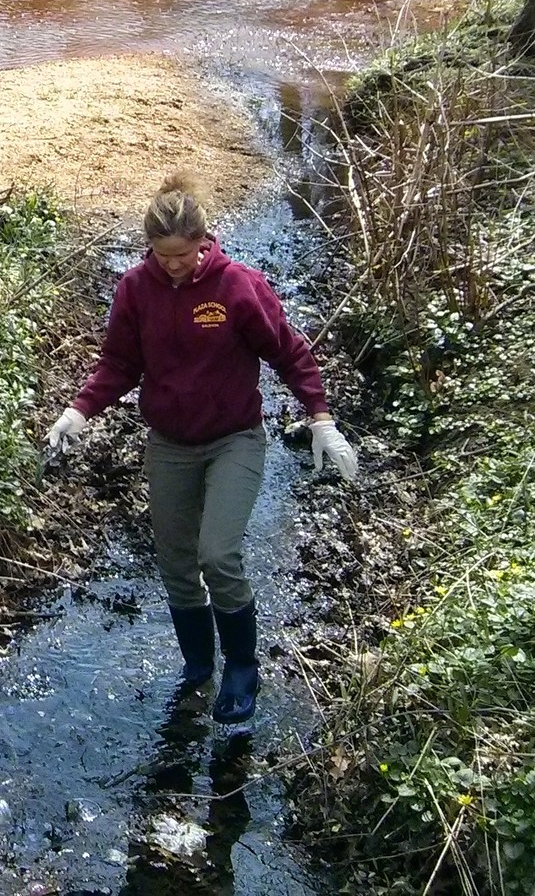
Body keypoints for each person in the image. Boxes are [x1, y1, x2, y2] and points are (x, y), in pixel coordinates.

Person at [44, 173, 359, 725]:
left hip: (233, 439)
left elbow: (290, 353)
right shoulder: (135, 289)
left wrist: (321, 419)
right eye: (162, 256)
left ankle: (241, 666)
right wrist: (79, 409)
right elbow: (120, 363)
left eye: (183, 255)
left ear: (203, 241)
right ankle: (197, 666)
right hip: (169, 443)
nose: (173, 266)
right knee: (176, 564)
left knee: (218, 554)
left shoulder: (238, 286)